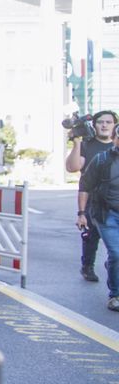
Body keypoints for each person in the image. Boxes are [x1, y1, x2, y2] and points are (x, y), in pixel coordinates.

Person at [66, 110, 117, 282]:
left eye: (108, 122)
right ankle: (87, 266)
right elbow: (73, 167)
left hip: (115, 202)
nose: (104, 125)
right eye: (100, 122)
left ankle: (113, 263)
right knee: (91, 237)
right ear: (94, 125)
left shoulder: (116, 146)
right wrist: (76, 143)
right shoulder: (87, 145)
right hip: (93, 201)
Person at [77, 135, 119, 311]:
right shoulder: (102, 160)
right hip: (106, 214)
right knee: (117, 253)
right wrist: (81, 213)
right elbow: (85, 186)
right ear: (114, 139)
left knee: (116, 258)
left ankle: (113, 266)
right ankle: (115, 295)